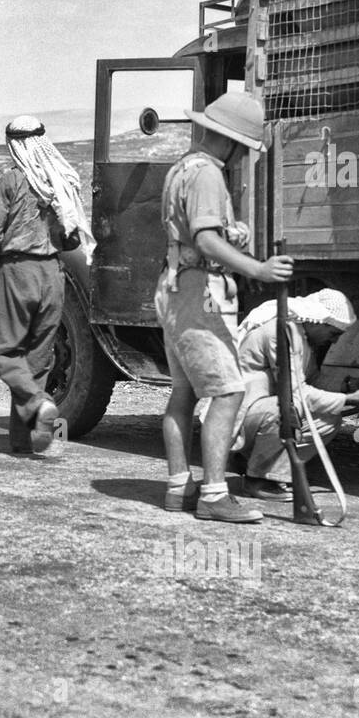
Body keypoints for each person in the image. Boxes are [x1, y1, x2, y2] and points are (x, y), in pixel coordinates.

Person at [154, 90, 294, 522]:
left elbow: (198, 235)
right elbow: (205, 239)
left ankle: (180, 486)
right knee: (229, 390)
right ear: (231, 141)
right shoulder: (209, 176)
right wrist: (259, 270)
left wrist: (230, 237)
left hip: (175, 286)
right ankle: (214, 495)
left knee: (184, 392)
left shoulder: (182, 168)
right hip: (200, 293)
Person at [0, 116, 88, 455]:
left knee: (8, 351)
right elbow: (71, 240)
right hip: (53, 274)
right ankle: (28, 439)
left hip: (18, 270)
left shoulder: (12, 181)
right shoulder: (62, 181)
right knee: (39, 359)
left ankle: (39, 406)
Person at [232, 289, 359, 500]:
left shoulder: (303, 338)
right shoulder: (281, 333)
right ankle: (259, 480)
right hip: (238, 415)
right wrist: (348, 399)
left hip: (258, 414)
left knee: (328, 420)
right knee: (286, 409)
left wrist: (349, 390)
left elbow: (311, 385)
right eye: (334, 334)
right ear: (319, 322)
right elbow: (296, 395)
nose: (334, 341)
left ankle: (254, 463)